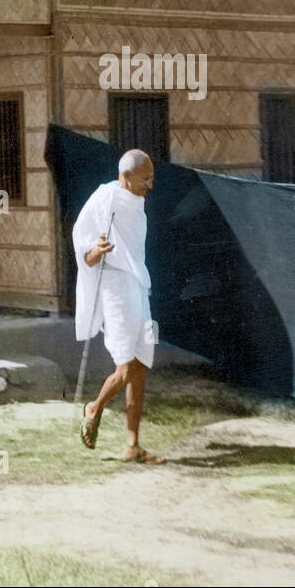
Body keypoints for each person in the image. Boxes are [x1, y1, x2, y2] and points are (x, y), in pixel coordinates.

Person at [74, 148, 164, 464]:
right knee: (126, 365)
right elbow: (83, 249)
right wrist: (97, 251)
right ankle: (95, 407)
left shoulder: (136, 203)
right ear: (126, 176)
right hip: (115, 288)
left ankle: (133, 445)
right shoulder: (105, 199)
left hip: (138, 285)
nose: (149, 186)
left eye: (152, 179)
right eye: (145, 179)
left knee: (140, 366)